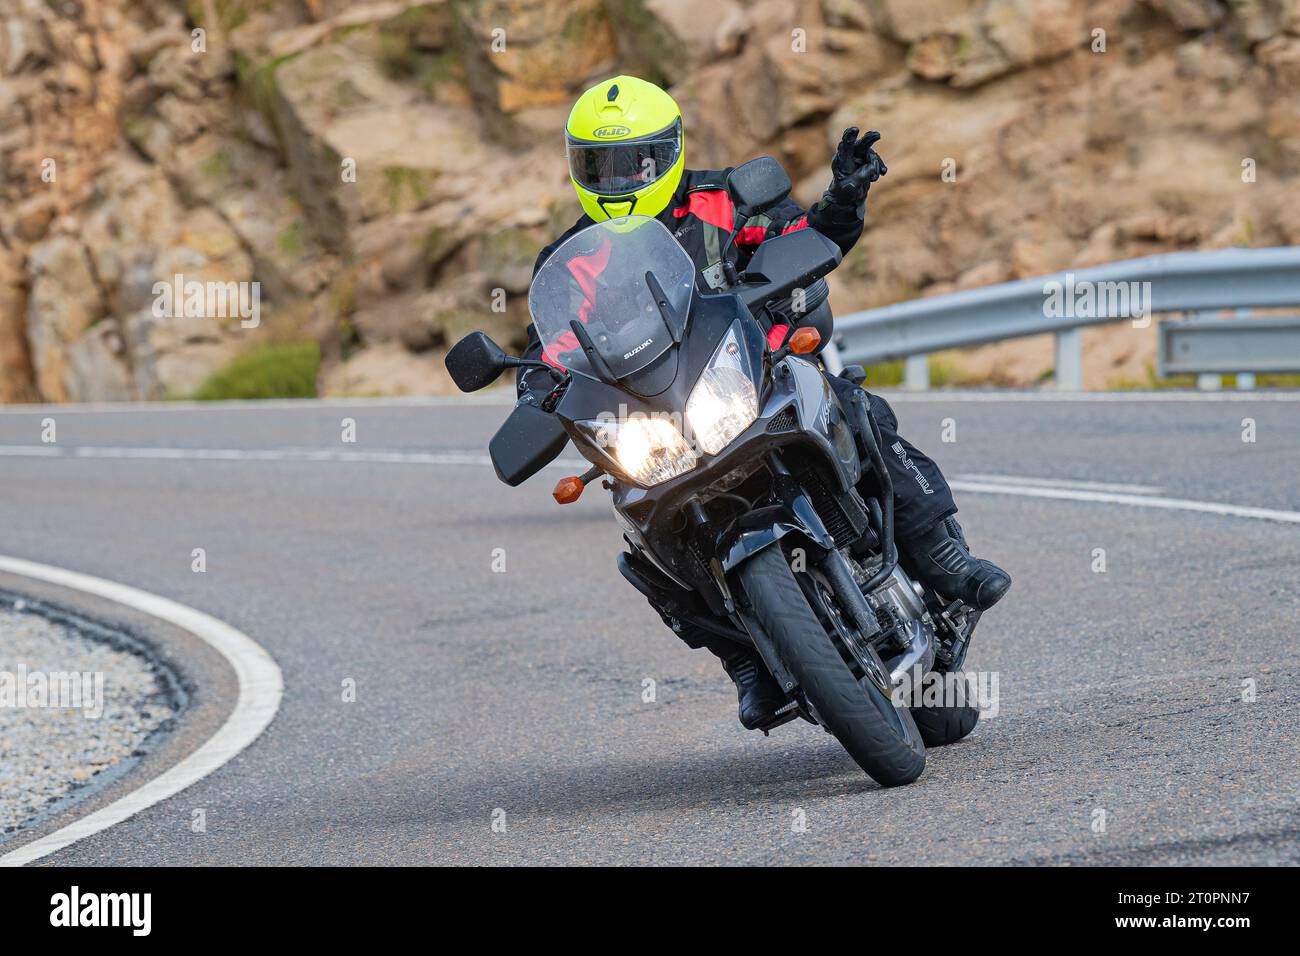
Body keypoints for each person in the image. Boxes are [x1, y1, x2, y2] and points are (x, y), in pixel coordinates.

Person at [517, 75, 1010, 729]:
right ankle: (744, 660)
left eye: (635, 160)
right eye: (599, 166)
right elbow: (545, 348)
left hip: (756, 375)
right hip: (659, 421)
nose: (620, 178)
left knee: (857, 408)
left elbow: (800, 232)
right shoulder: (571, 260)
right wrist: (535, 388)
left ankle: (945, 557)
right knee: (638, 532)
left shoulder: (722, 202)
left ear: (670, 152)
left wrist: (844, 199)